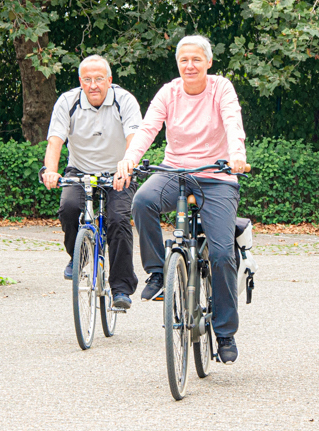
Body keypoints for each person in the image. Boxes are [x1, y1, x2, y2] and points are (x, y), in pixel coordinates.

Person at [113, 35, 247, 364]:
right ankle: (158, 272)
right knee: (142, 200)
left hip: (216, 176)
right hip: (175, 171)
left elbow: (232, 122)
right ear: (177, 64)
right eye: (183, 60)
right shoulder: (169, 92)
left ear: (208, 63)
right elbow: (147, 130)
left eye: (196, 59)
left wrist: (237, 155)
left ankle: (225, 331)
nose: (189, 65)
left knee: (220, 253)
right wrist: (128, 159)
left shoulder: (221, 89)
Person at [42, 55, 142, 310]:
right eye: (87, 79)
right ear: (80, 81)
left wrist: (127, 166)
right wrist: (51, 171)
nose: (93, 85)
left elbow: (134, 137)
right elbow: (55, 140)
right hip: (80, 169)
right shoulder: (68, 101)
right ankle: (79, 257)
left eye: (99, 79)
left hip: (119, 169)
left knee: (119, 219)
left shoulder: (124, 100)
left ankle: (121, 287)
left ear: (109, 80)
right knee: (68, 208)